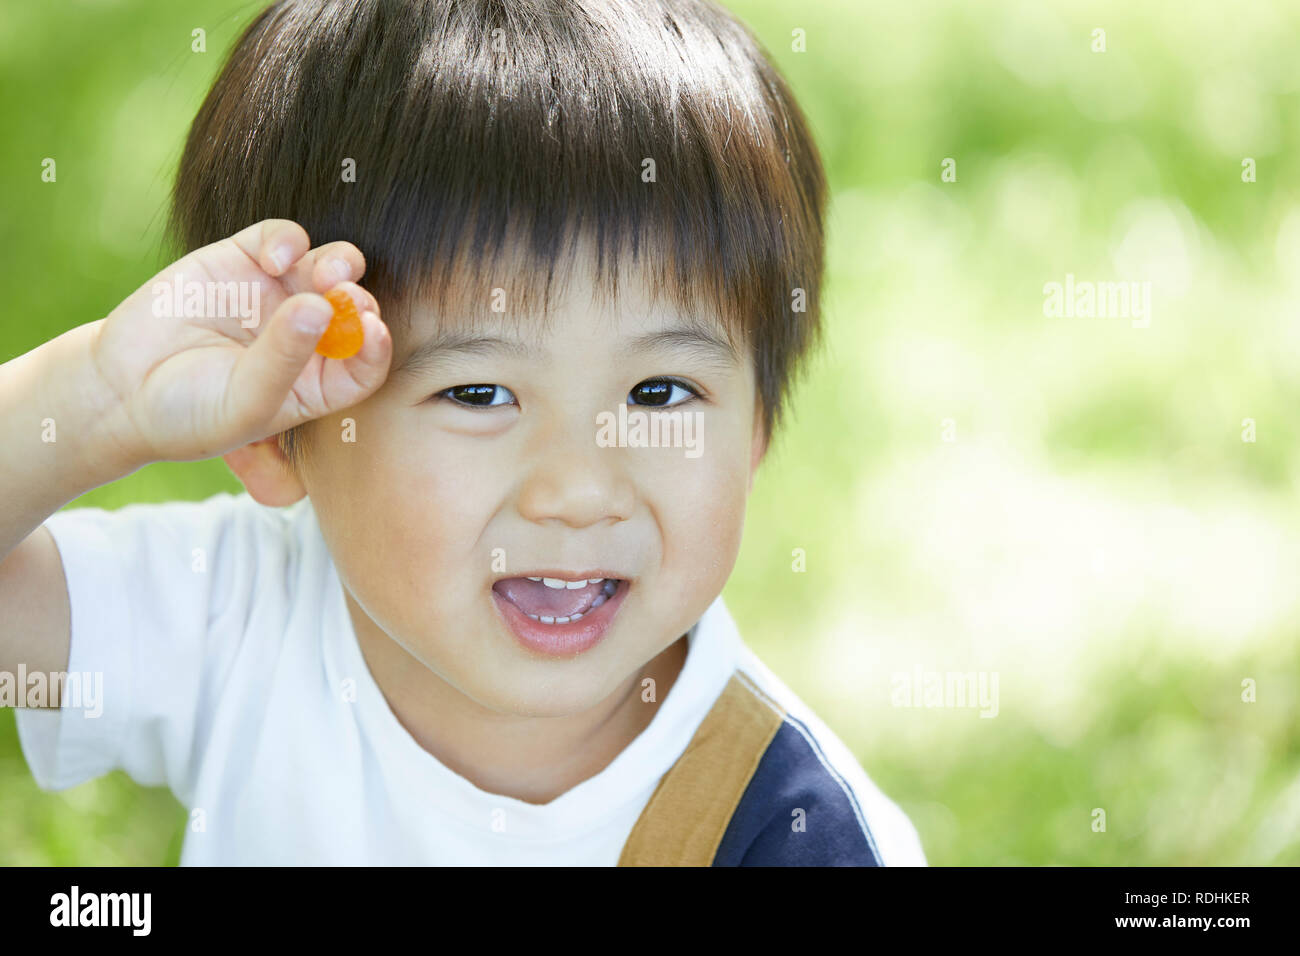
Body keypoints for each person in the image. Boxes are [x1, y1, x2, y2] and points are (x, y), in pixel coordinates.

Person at [0, 0, 925, 865]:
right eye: (479, 393)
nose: (578, 488)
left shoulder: (783, 830)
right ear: (280, 432)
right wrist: (95, 400)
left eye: (657, 392)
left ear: (757, 428)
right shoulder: (237, 613)